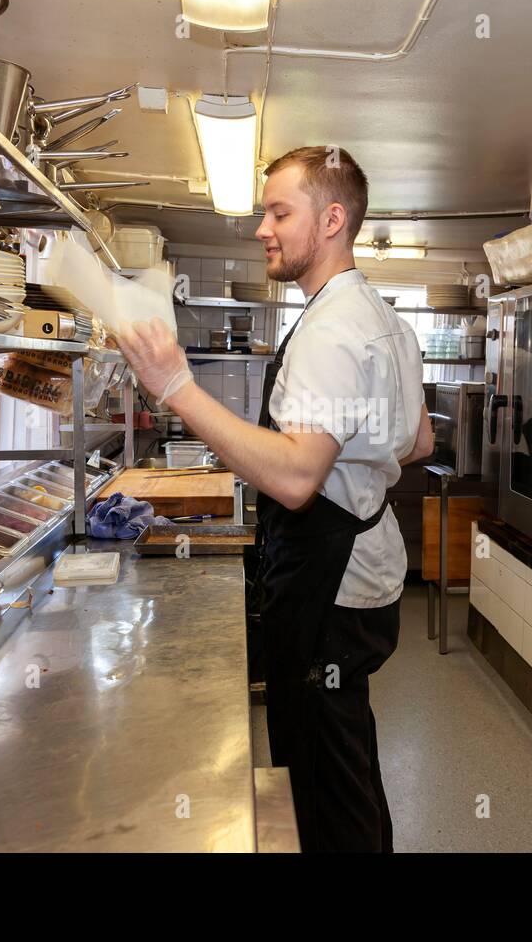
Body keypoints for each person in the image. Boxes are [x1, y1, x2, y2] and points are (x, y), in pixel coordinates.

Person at [115, 145, 432, 852]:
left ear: (332, 220)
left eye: (280, 212)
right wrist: (355, 456)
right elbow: (417, 444)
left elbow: (293, 478)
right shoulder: (387, 320)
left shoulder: (329, 329)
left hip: (330, 583)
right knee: (344, 756)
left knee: (322, 781)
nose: (263, 227)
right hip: (366, 573)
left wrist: (177, 387)